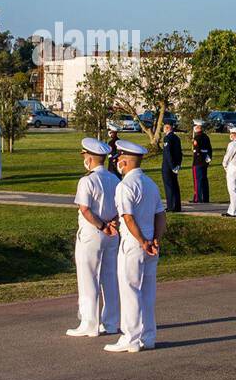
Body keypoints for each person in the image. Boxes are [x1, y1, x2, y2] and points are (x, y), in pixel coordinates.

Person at [105, 139, 166, 353]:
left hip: (134, 243)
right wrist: (155, 239)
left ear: (126, 161)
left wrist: (142, 241)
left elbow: (128, 218)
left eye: (120, 160)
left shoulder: (125, 186)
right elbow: (160, 215)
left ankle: (130, 338)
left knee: (130, 290)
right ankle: (148, 336)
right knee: (148, 292)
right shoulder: (150, 183)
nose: (118, 164)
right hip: (151, 243)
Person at [67, 137, 121, 337]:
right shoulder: (115, 179)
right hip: (112, 233)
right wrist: (111, 223)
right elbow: (119, 207)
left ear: (89, 158)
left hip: (92, 232)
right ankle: (111, 322)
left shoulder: (87, 180)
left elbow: (85, 209)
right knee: (110, 277)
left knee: (88, 277)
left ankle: (89, 323)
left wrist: (102, 225)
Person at [160, 120, 182, 212]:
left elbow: (168, 153)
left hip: (168, 166)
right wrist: (178, 165)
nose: (163, 129)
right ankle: (176, 206)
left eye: (164, 127)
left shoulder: (167, 138)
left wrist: (172, 166)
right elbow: (180, 153)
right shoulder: (176, 138)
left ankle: (171, 206)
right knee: (175, 186)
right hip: (175, 165)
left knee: (169, 186)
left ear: (168, 128)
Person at [189, 120, 211, 203]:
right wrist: (208, 159)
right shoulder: (206, 136)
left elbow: (197, 150)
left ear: (197, 127)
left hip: (198, 161)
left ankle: (197, 198)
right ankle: (205, 198)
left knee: (197, 180)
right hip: (205, 161)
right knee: (204, 179)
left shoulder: (197, 137)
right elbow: (209, 149)